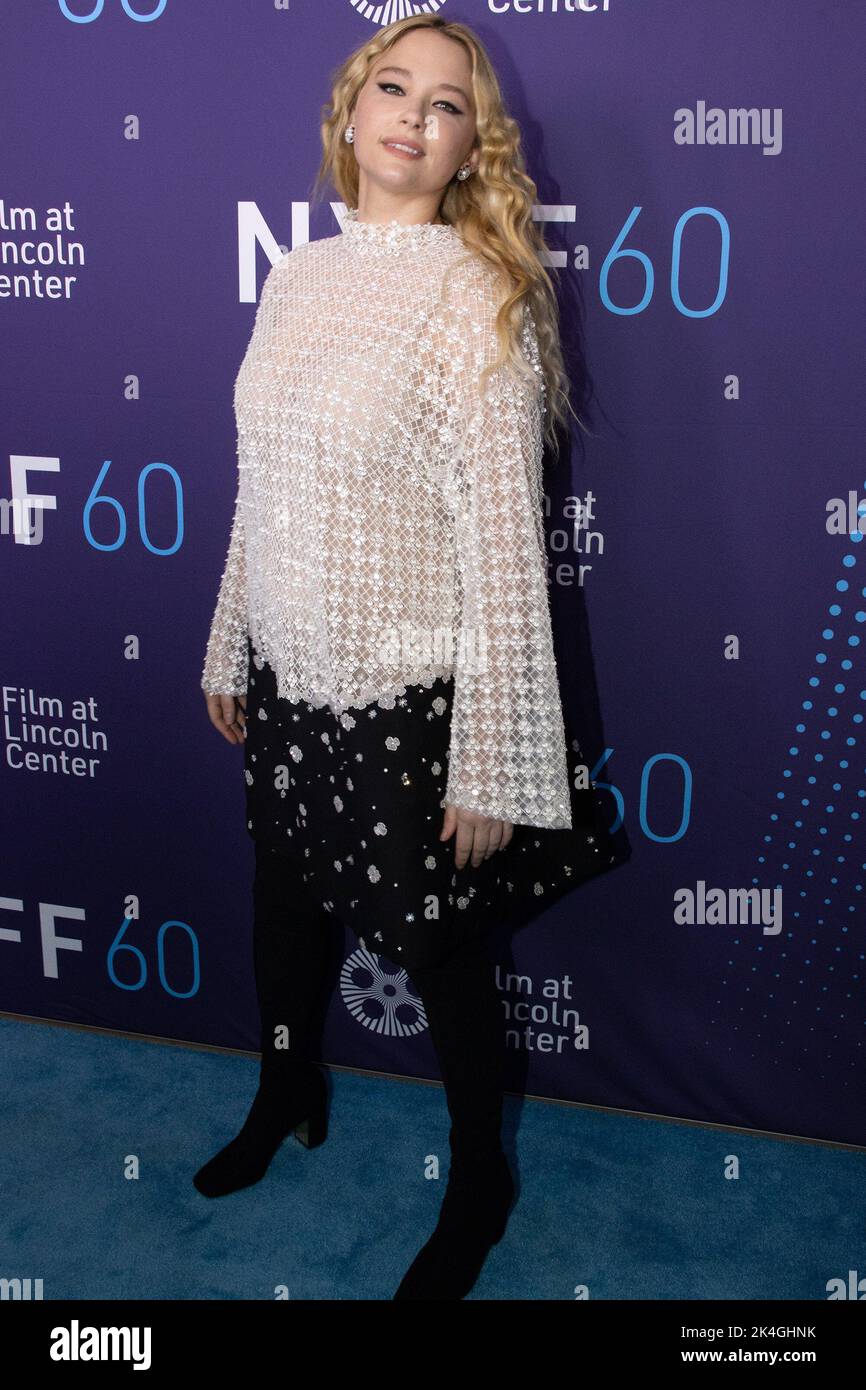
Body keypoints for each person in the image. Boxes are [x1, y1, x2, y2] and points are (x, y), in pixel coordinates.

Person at [195, 13, 623, 1301]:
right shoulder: (295, 278)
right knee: (282, 918)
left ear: (465, 148)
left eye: (447, 105)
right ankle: (288, 1090)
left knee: (443, 962)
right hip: (288, 680)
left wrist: (491, 754)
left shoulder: (479, 292)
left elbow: (504, 544)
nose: (413, 116)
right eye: (394, 87)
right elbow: (259, 485)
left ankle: (480, 1179)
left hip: (411, 691)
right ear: (349, 112)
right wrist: (233, 636)